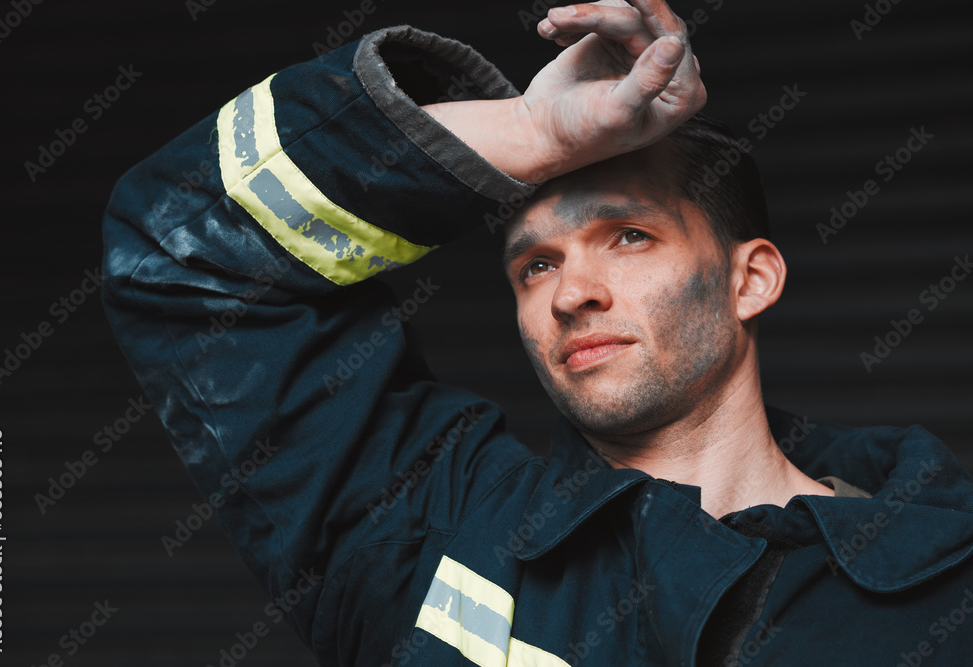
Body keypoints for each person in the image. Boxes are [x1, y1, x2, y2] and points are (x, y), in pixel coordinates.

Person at [101, 1, 973, 664]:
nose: (571, 294)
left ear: (751, 280)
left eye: (629, 237)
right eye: (535, 266)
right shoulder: (425, 528)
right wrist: (530, 134)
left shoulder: (943, 575)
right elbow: (180, 245)